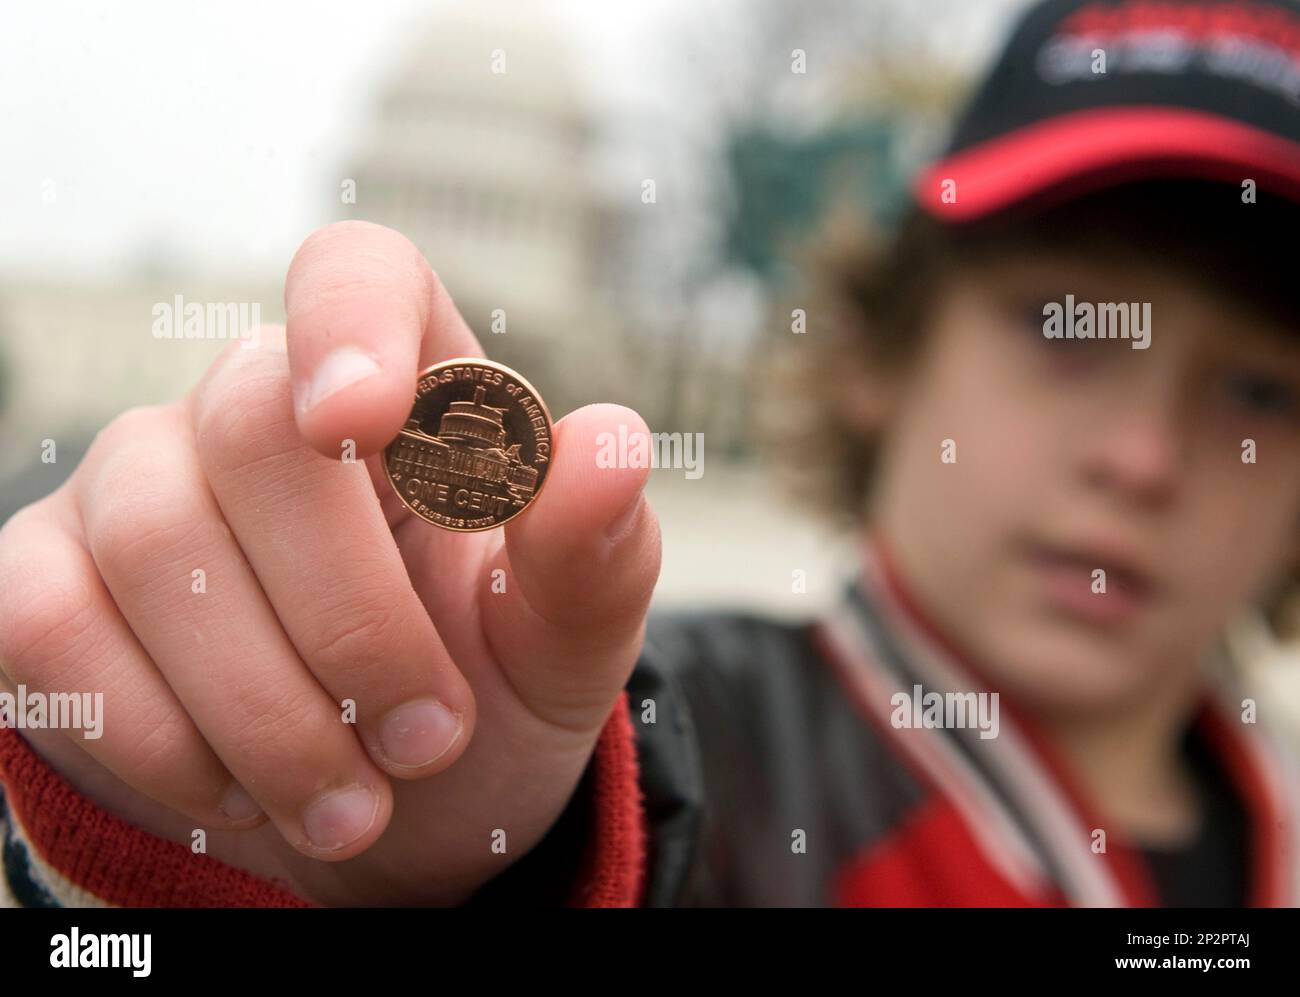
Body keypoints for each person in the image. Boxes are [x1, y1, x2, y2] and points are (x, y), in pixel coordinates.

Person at [4, 0, 1300, 907]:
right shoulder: (648, 756)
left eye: (1258, 387)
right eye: (1066, 330)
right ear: (876, 350)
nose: (1144, 456)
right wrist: (430, 868)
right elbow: (625, 789)